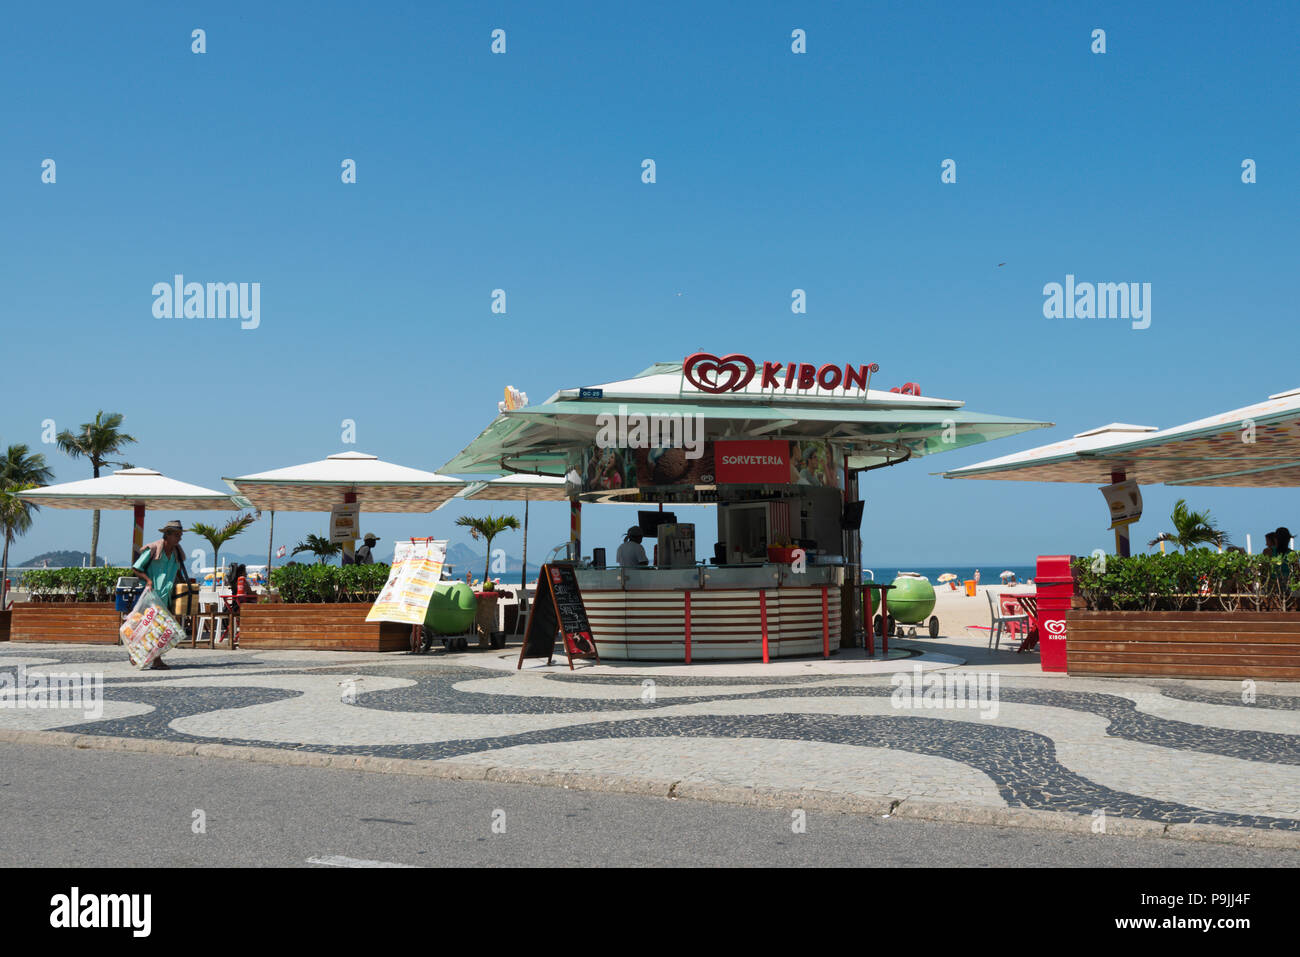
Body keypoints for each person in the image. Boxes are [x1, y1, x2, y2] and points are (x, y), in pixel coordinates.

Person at [131, 520, 189, 670]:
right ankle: (146, 657)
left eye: (180, 535)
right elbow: (136, 568)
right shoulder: (154, 549)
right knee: (149, 627)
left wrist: (185, 585)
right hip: (151, 596)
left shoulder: (177, 552)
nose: (179, 538)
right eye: (177, 535)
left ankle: (151, 658)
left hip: (166, 597)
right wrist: (148, 580)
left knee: (160, 629)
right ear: (167, 535)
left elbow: (177, 571)